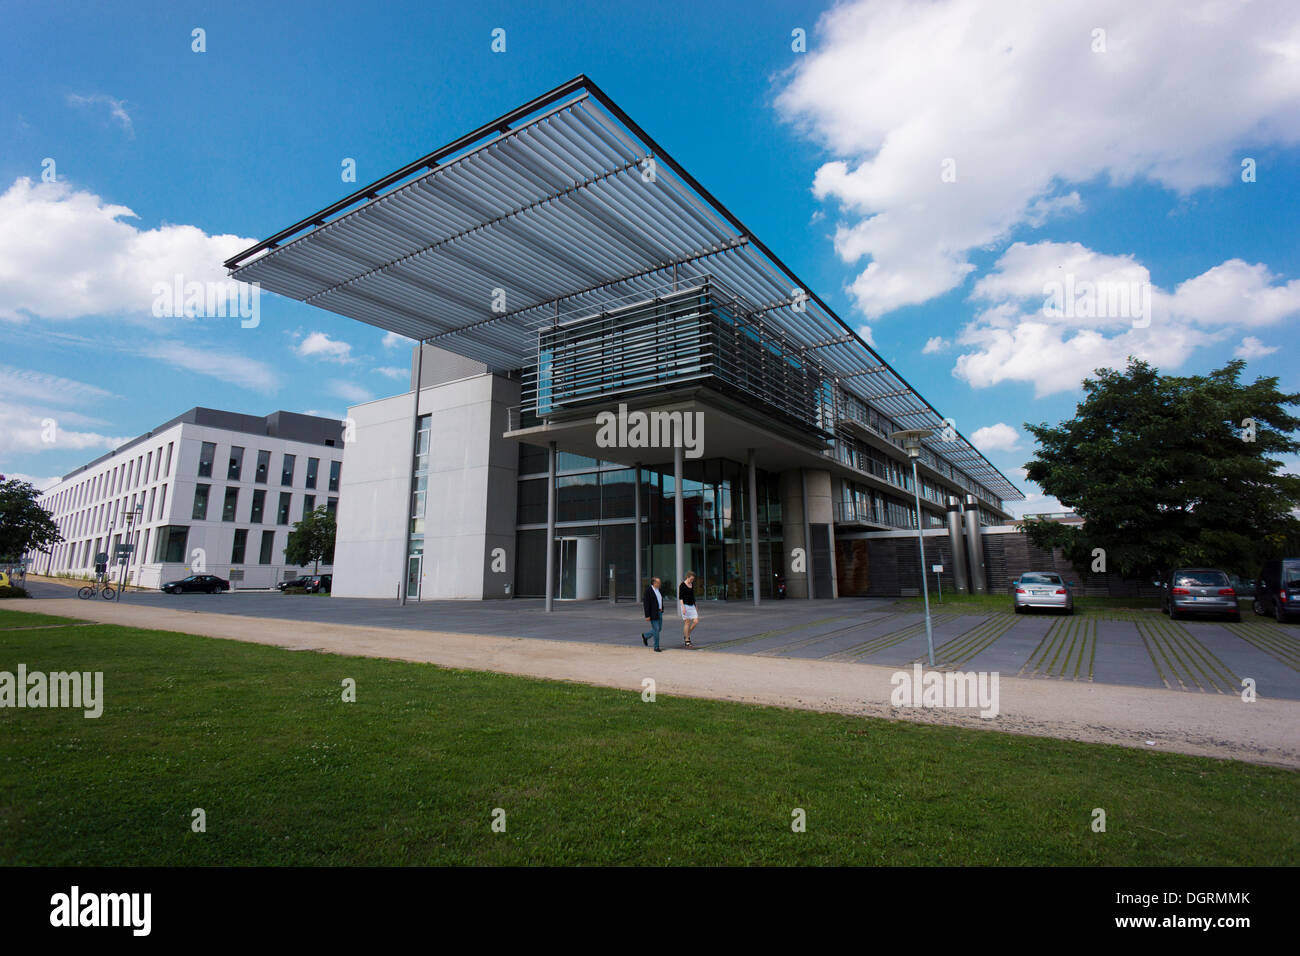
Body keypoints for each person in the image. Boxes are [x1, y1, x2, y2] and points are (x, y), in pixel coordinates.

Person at [641, 576, 664, 652]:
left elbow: (660, 600)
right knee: (656, 629)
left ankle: (645, 636)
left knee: (659, 628)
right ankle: (656, 647)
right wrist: (647, 615)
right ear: (654, 583)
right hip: (653, 613)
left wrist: (662, 608)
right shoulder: (648, 591)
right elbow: (646, 604)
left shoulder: (659, 590)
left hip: (660, 612)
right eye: (658, 582)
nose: (660, 584)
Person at [679, 571, 699, 648]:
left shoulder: (692, 585)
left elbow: (693, 596)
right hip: (685, 606)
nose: (692, 580)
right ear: (687, 577)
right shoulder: (682, 585)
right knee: (687, 622)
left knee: (696, 621)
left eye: (693, 579)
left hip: (692, 606)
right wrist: (683, 607)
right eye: (691, 579)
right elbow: (680, 597)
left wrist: (696, 605)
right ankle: (687, 640)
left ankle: (687, 634)